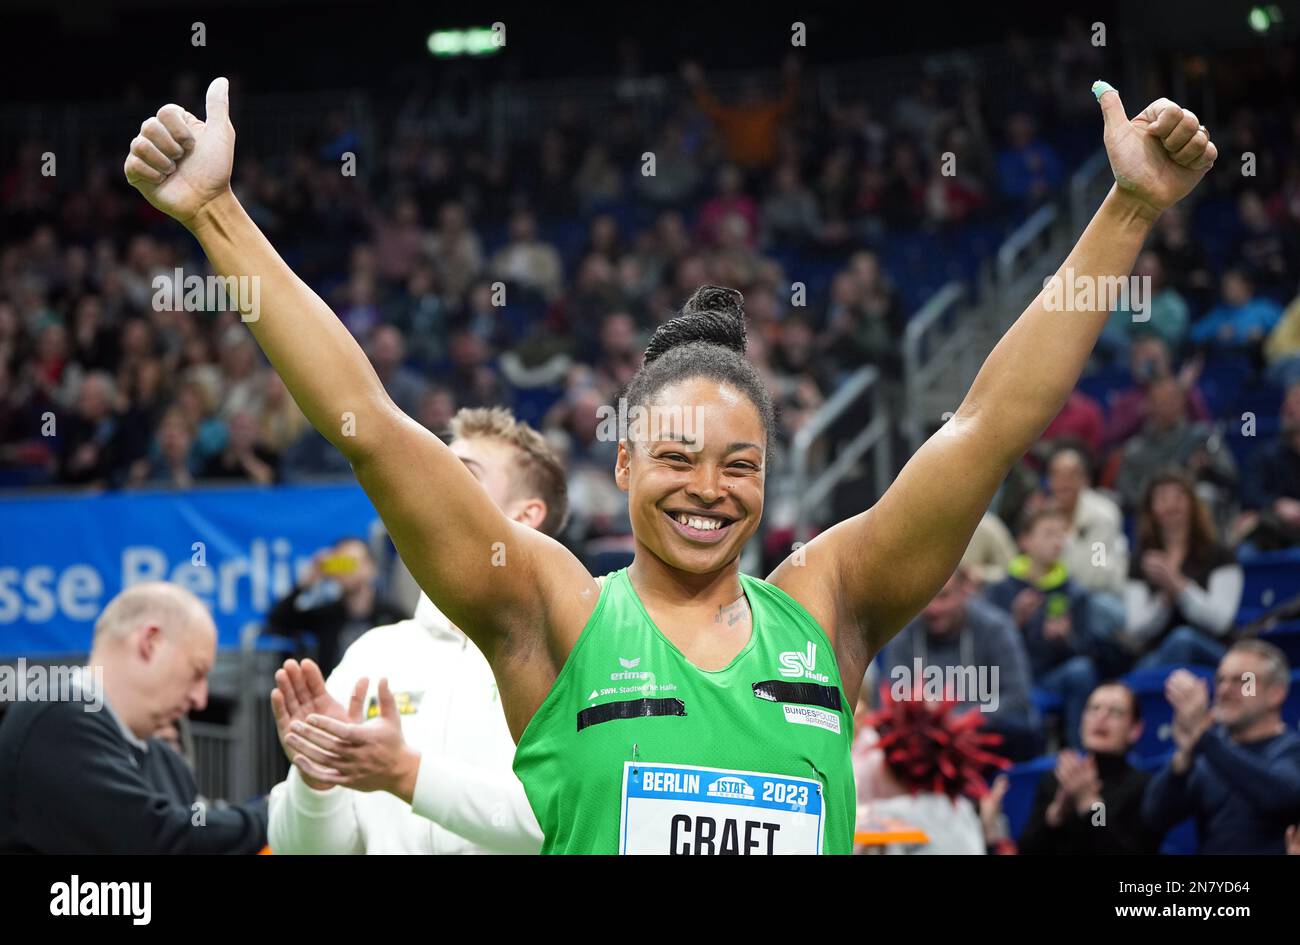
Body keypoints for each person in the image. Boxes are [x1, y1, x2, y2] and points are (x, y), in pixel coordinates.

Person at [124, 76, 1218, 854]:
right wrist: (216, 216)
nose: (708, 486)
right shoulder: (548, 612)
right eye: (678, 456)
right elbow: (365, 421)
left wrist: (1126, 211)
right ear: (626, 462)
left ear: (768, 478)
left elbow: (984, 428)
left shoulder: (825, 605)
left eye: (739, 463)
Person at [267, 407, 560, 854]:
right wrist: (315, 779)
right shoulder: (374, 653)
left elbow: (564, 821)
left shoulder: (566, 652)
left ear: (525, 515)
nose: (431, 482)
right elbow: (304, 852)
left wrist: (406, 772)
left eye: (464, 473)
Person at [0, 583, 267, 853]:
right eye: (196, 672)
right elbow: (152, 840)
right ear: (150, 643)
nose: (200, 699)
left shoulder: (166, 762)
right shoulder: (55, 717)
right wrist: (274, 814)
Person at [1142, 641, 1300, 854]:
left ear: (1276, 693)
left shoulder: (1290, 749)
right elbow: (1154, 818)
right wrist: (1182, 759)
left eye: (1242, 681)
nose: (1224, 690)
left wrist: (1205, 738)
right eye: (1220, 680)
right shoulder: (1208, 755)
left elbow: (1284, 797)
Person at [878, 568, 1042, 760]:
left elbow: (1017, 698)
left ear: (965, 591)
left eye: (943, 596)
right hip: (925, 749)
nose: (933, 608)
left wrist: (955, 719)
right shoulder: (904, 635)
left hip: (987, 742)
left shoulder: (996, 629)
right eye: (926, 598)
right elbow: (887, 703)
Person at [984, 505, 1105, 747]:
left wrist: (1064, 640)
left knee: (1081, 671)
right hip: (1008, 679)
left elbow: (1088, 651)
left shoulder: (1075, 592)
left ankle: (1079, 753)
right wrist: (1014, 622)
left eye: (1061, 534)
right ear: (1025, 541)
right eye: (1049, 533)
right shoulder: (1001, 589)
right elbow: (984, 650)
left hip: (1050, 676)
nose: (1058, 541)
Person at [1017, 682, 1161, 854]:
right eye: (1094, 708)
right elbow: (1026, 849)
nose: (1101, 717)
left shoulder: (1144, 787)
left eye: (1115, 712)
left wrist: (1091, 805)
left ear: (1135, 729)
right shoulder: (1059, 778)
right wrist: (1055, 816)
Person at [1123, 469, 1242, 668]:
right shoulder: (1141, 560)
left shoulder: (1220, 555)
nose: (1171, 505)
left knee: (1182, 639)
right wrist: (1163, 601)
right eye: (1162, 498)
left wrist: (1179, 586)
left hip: (1211, 650)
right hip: (1158, 651)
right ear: (1150, 508)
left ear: (1192, 503)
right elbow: (1136, 629)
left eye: (1178, 496)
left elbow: (1220, 622)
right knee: (1143, 665)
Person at [266, 537, 405, 677]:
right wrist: (306, 583)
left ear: (371, 567)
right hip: (334, 693)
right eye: (341, 564)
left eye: (351, 563)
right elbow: (277, 621)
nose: (347, 572)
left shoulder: (393, 617)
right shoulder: (326, 617)